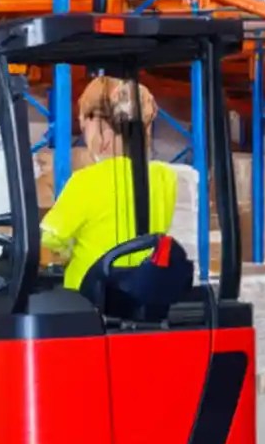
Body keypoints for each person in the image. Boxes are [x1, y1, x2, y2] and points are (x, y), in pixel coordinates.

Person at [40, 76, 178, 291]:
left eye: (84, 122)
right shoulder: (165, 177)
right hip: (140, 292)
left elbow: (49, 241)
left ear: (100, 126)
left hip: (87, 296)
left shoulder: (84, 182)